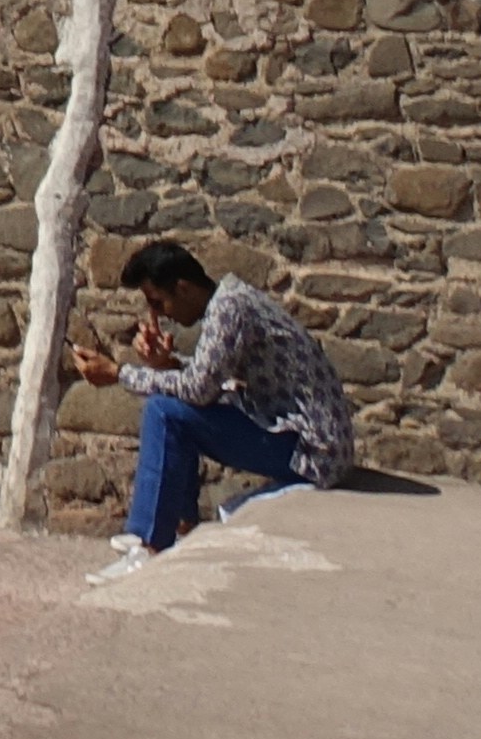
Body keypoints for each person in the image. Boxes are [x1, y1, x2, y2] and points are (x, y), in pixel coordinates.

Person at [72, 237, 352, 555]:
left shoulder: (228, 310)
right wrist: (168, 364)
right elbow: (210, 377)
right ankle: (183, 525)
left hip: (312, 453)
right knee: (178, 409)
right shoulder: (232, 299)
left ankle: (147, 542)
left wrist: (117, 373)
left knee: (164, 412)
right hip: (315, 443)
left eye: (158, 302)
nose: (158, 315)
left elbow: (199, 389)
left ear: (184, 288)